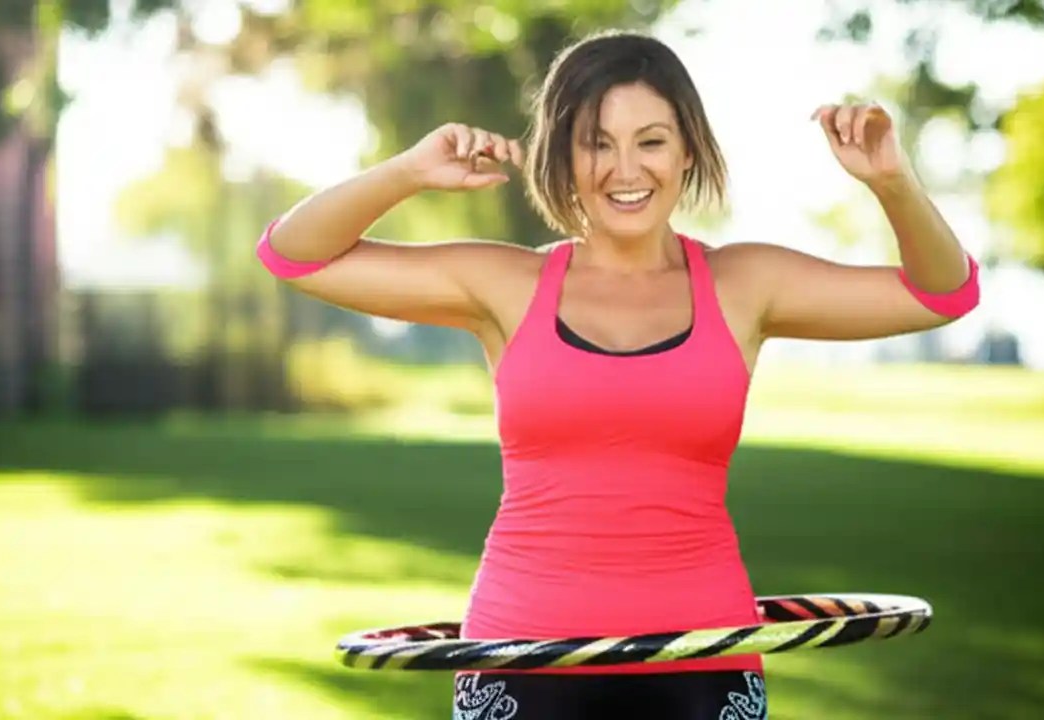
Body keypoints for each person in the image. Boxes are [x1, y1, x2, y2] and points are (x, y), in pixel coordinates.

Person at [256, 29, 979, 720]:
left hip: (703, 659)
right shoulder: (506, 284)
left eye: (651, 141)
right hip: (522, 654)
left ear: (688, 149)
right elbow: (296, 256)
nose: (625, 170)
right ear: (563, 157)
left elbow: (942, 293)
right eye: (595, 143)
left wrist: (893, 183)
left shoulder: (745, 284)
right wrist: (409, 171)